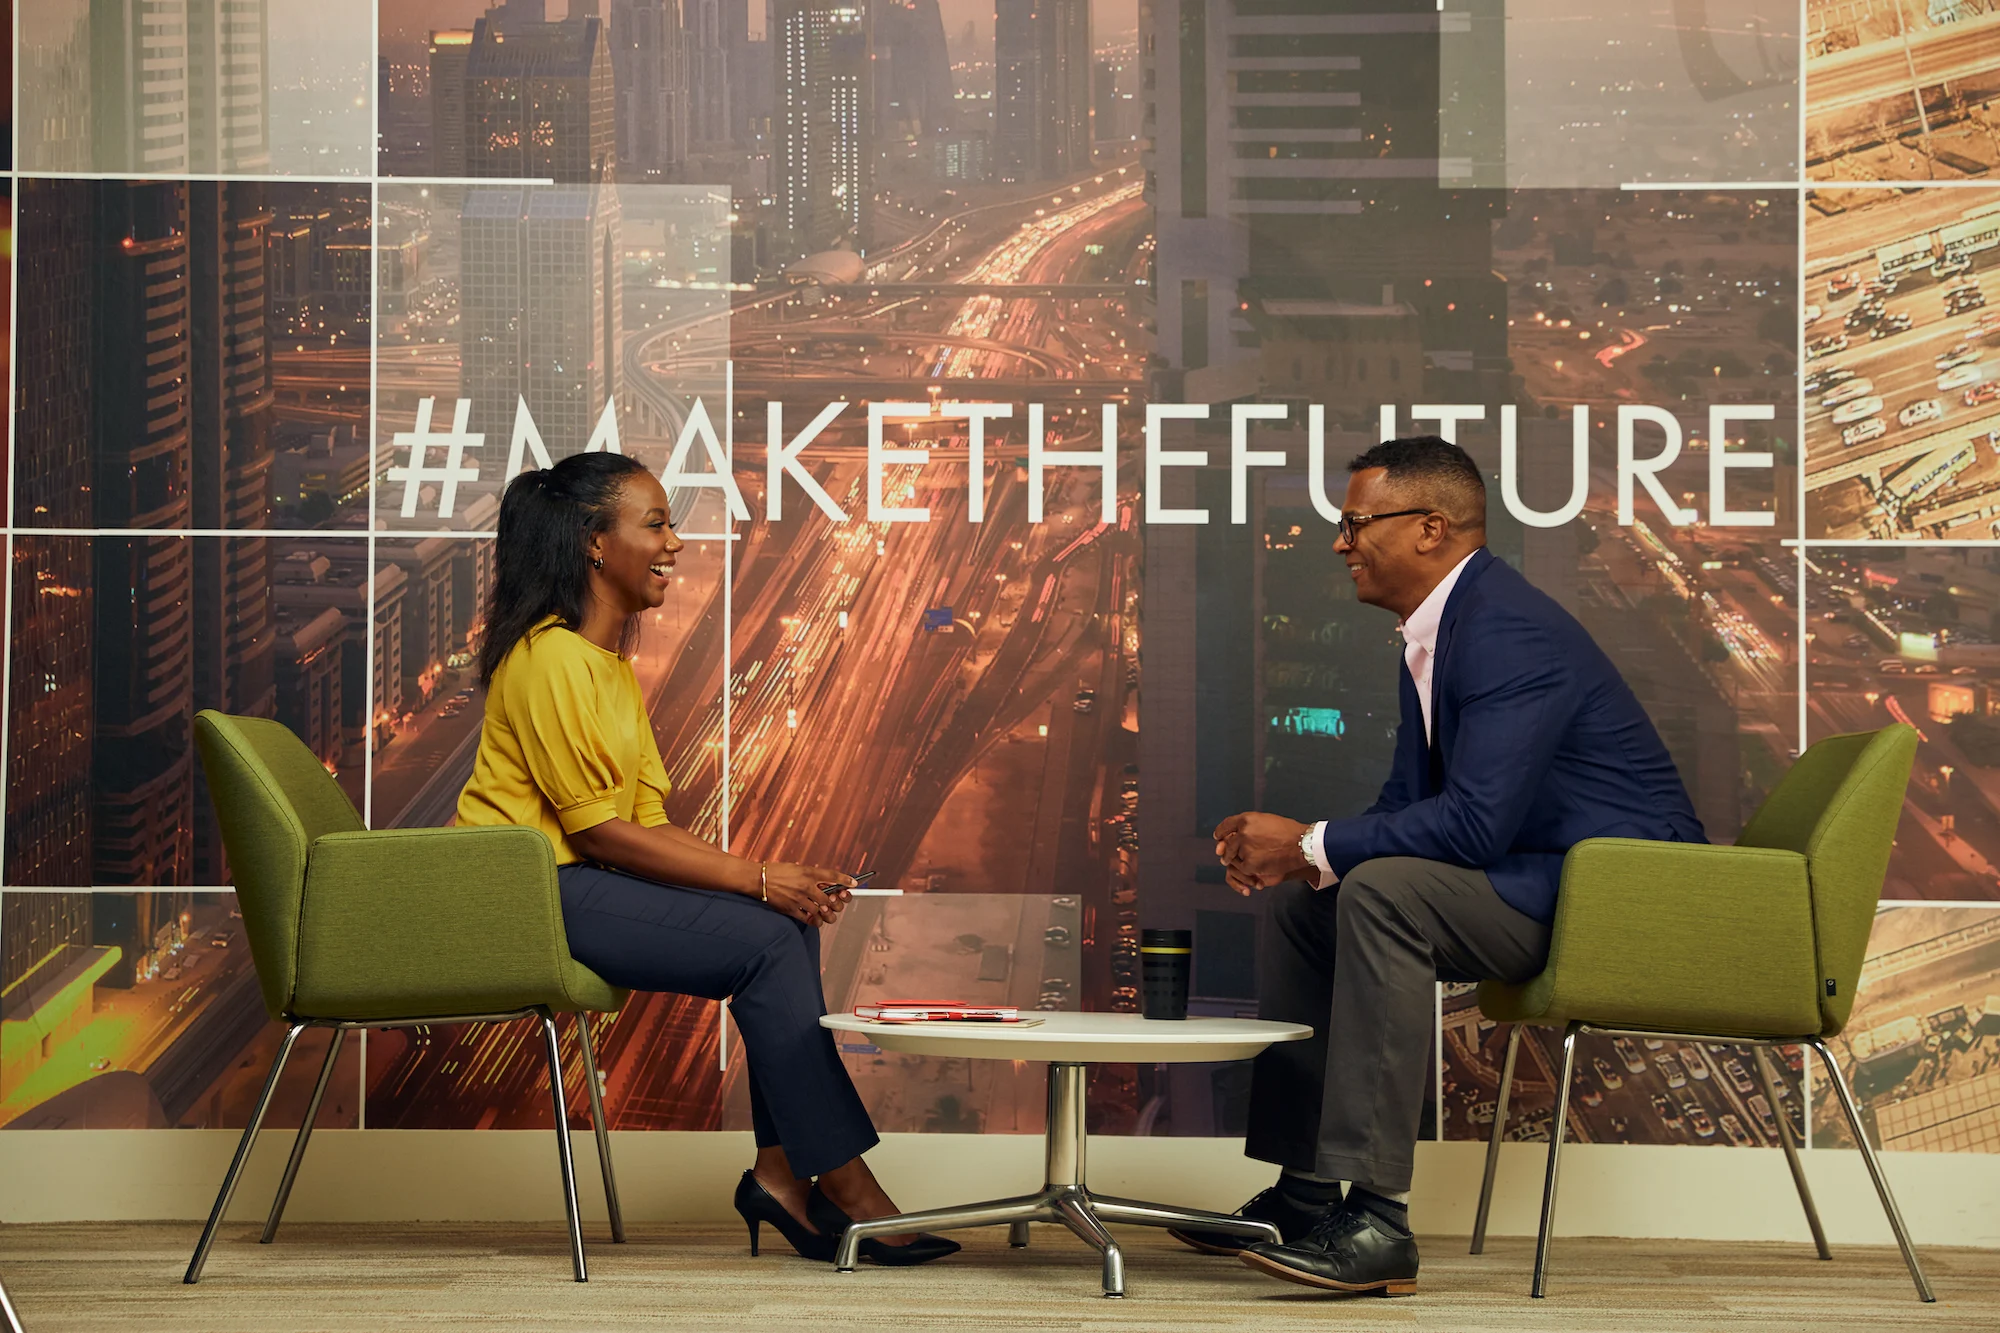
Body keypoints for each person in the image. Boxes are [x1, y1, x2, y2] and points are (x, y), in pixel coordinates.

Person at [1176, 435, 1704, 1295]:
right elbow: (1402, 809)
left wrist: (1308, 840)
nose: (1340, 543)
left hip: (1615, 897)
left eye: (1354, 523)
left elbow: (1472, 827)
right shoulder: (1441, 629)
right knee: (1311, 903)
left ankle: (1379, 1218)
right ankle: (1308, 1195)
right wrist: (1305, 860)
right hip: (1546, 877)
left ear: (1430, 528)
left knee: (1380, 891)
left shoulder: (1505, 630)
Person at [456, 451, 957, 1267]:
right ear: (592, 541)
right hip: (524, 895)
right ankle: (843, 1181)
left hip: (572, 884)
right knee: (765, 934)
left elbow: (647, 820)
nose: (674, 542)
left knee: (778, 925)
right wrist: (759, 878)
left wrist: (774, 880)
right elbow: (598, 833)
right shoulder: (548, 658)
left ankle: (782, 1172)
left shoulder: (608, 668)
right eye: (654, 523)